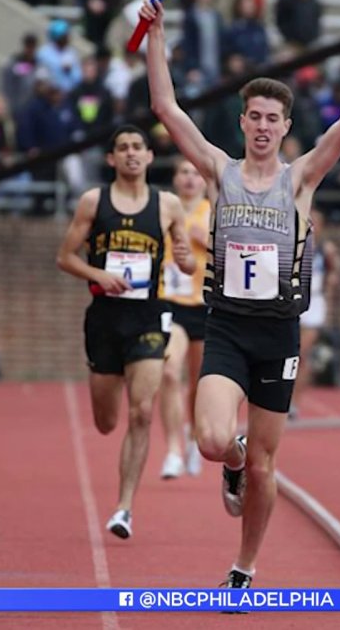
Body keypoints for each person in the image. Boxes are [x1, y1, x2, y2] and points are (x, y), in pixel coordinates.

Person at [141, 0, 340, 590]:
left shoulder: (301, 180)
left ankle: (244, 565)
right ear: (244, 120)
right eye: (255, 116)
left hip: (279, 333)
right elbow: (168, 111)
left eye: (274, 118)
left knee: (270, 467)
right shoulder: (220, 172)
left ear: (285, 126)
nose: (263, 126)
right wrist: (158, 36)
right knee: (215, 439)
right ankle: (234, 460)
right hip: (226, 325)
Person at [55, 124, 196, 540]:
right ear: (111, 159)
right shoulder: (93, 202)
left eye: (139, 147)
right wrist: (99, 273)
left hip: (149, 317)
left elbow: (187, 266)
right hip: (104, 320)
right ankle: (108, 409)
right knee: (105, 421)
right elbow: (64, 257)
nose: (132, 153)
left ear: (151, 157)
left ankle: (124, 508)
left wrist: (186, 256)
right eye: (123, 148)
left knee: (142, 411)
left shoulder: (168, 204)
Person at [156, 157, 212, 480]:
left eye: (195, 174)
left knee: (198, 384)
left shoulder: (212, 213)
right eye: (184, 173)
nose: (190, 179)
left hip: (203, 306)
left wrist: (207, 242)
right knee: (169, 370)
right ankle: (174, 449)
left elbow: (234, 256)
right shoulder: (164, 211)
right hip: (171, 303)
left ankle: (191, 438)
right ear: (175, 178)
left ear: (204, 181)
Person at [293, 208, 340, 417]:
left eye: (315, 223)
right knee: (288, 354)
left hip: (314, 304)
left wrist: (332, 279)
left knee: (302, 354)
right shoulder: (293, 244)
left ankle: (294, 402)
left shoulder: (324, 248)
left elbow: (334, 271)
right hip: (294, 301)